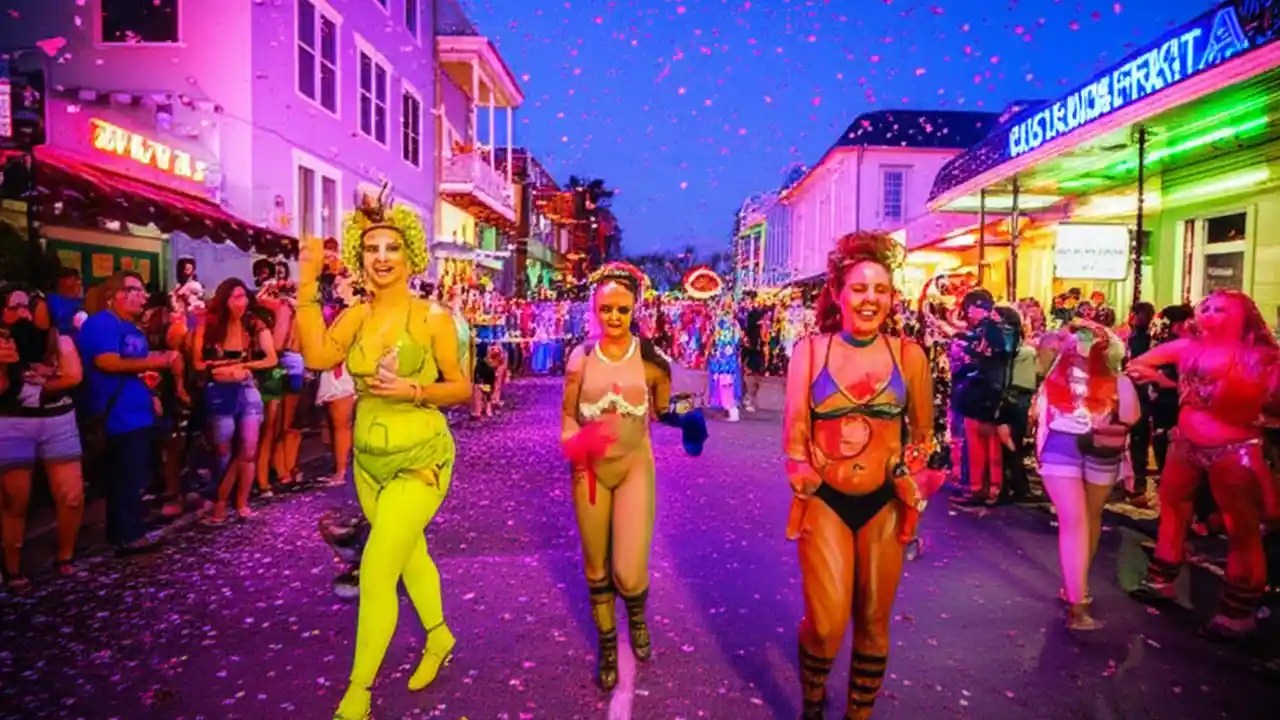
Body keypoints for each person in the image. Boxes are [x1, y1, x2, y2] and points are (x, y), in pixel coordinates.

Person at [296, 188, 471, 719]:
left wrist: (414, 392)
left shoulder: (434, 318)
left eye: (392, 247)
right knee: (409, 554)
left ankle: (358, 693)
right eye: (372, 248)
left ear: (411, 256)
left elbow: (460, 388)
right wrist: (306, 283)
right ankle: (439, 636)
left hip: (422, 458)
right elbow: (316, 355)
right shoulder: (353, 317)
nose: (382, 257)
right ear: (358, 258)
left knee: (376, 569)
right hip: (368, 465)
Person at [783, 232, 937, 720]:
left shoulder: (909, 356)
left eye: (881, 290)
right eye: (859, 289)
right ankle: (813, 703)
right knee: (827, 624)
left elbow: (924, 435)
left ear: (893, 297)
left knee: (873, 619)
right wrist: (801, 469)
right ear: (838, 293)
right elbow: (794, 435)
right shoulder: (810, 352)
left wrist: (910, 474)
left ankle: (858, 715)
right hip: (826, 499)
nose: (870, 299)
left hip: (884, 503)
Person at [560, 263, 706, 691]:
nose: (614, 318)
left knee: (629, 572)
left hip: (633, 468)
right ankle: (608, 644)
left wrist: (691, 421)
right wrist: (571, 441)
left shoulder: (650, 361)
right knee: (596, 568)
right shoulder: (580, 358)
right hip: (588, 471)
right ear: (595, 309)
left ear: (634, 310)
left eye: (622, 310)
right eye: (606, 309)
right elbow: (568, 418)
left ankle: (637, 615)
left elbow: (664, 412)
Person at [1126, 290, 1280, 640]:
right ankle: (1161, 580)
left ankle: (1237, 613)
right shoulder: (1188, 348)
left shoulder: (1265, 358)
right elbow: (1139, 364)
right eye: (1205, 307)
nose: (1209, 313)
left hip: (1236, 450)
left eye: (1221, 309)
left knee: (1242, 529)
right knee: (1173, 507)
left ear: (1245, 317)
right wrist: (1166, 381)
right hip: (1187, 444)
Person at [1034, 316, 1139, 630]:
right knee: (1080, 519)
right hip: (1080, 446)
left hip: (1086, 447)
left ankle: (1075, 586)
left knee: (1085, 519)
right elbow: (1132, 416)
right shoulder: (1064, 372)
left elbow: (1131, 416)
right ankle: (1077, 602)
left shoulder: (1099, 375)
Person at [0, 284, 85, 589]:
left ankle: (65, 558)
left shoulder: (57, 339)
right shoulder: (5, 344)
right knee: (15, 501)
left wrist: (39, 384)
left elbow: (73, 376)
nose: (25, 313)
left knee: (72, 496)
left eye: (31, 306)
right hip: (12, 423)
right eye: (16, 307)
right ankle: (11, 568)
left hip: (58, 419)